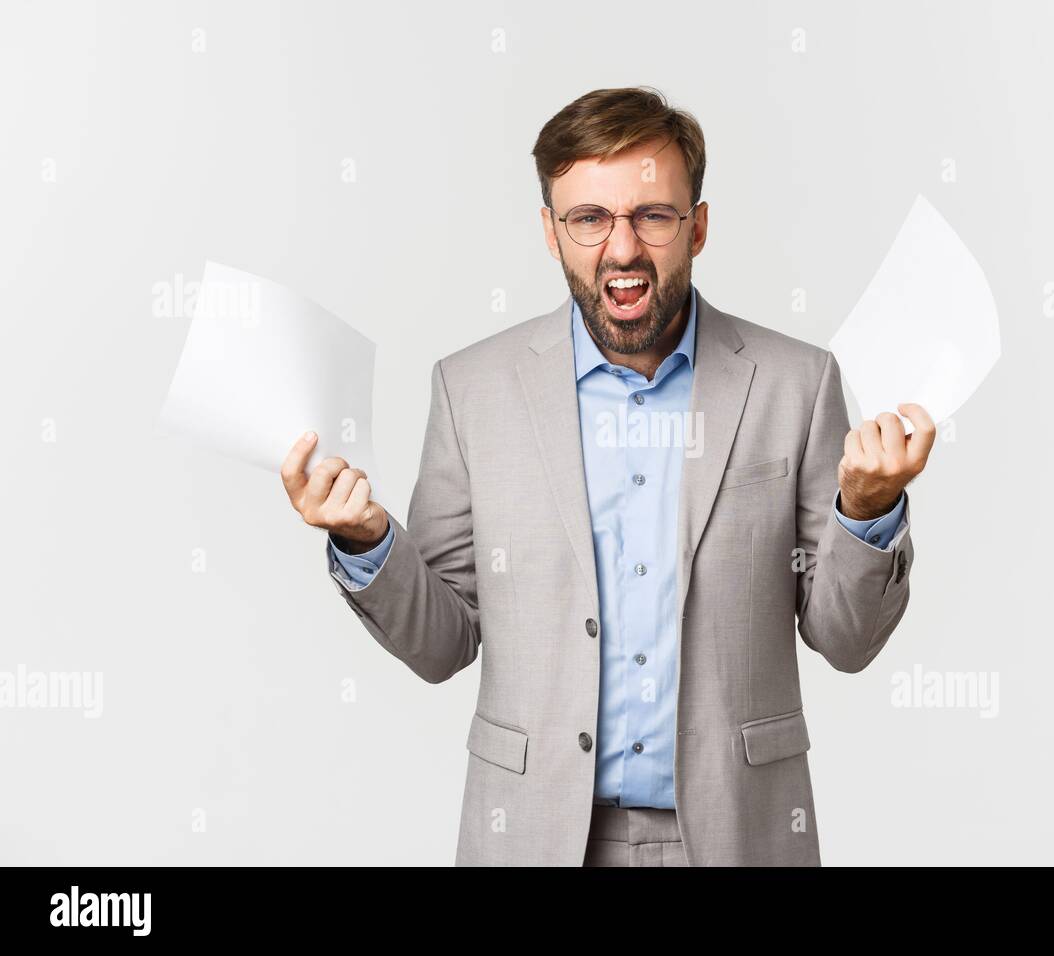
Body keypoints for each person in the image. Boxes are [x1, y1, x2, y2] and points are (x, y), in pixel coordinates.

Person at [280, 86, 935, 866]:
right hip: (535, 836)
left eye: (651, 216)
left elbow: (845, 638)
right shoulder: (473, 390)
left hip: (739, 835)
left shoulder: (797, 383)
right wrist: (367, 540)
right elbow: (443, 643)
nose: (621, 249)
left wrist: (867, 506)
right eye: (589, 218)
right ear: (552, 234)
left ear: (696, 227)